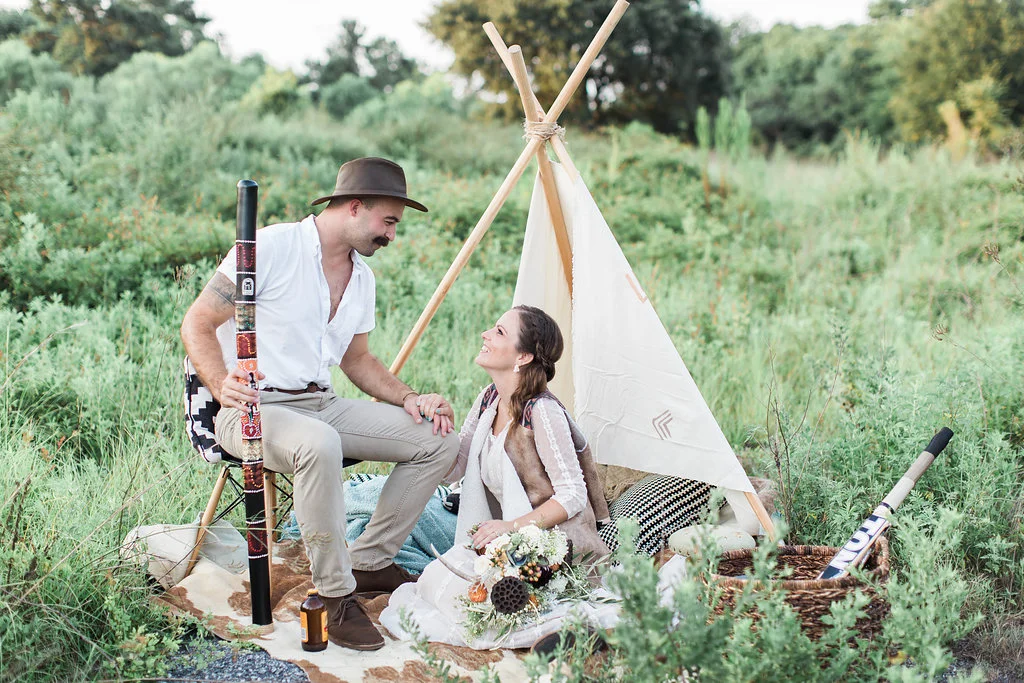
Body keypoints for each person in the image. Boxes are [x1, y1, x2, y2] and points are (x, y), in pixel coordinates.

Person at [180, 157, 460, 652]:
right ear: (355, 207)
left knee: (438, 439)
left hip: (321, 403)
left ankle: (369, 561)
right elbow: (197, 322)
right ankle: (335, 597)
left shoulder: (362, 280)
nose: (392, 235)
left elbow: (359, 361)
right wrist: (223, 383)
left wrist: (413, 398)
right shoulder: (268, 247)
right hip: (250, 412)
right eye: (389, 222)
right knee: (319, 444)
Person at [380, 305, 616, 649]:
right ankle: (546, 628)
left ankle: (564, 630)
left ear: (522, 357)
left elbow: (572, 495)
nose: (485, 335)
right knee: (435, 580)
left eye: (499, 332)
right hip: (509, 542)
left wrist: (512, 526)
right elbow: (455, 469)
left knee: (462, 595)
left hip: (556, 549)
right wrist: (438, 427)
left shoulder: (543, 413)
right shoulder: (489, 399)